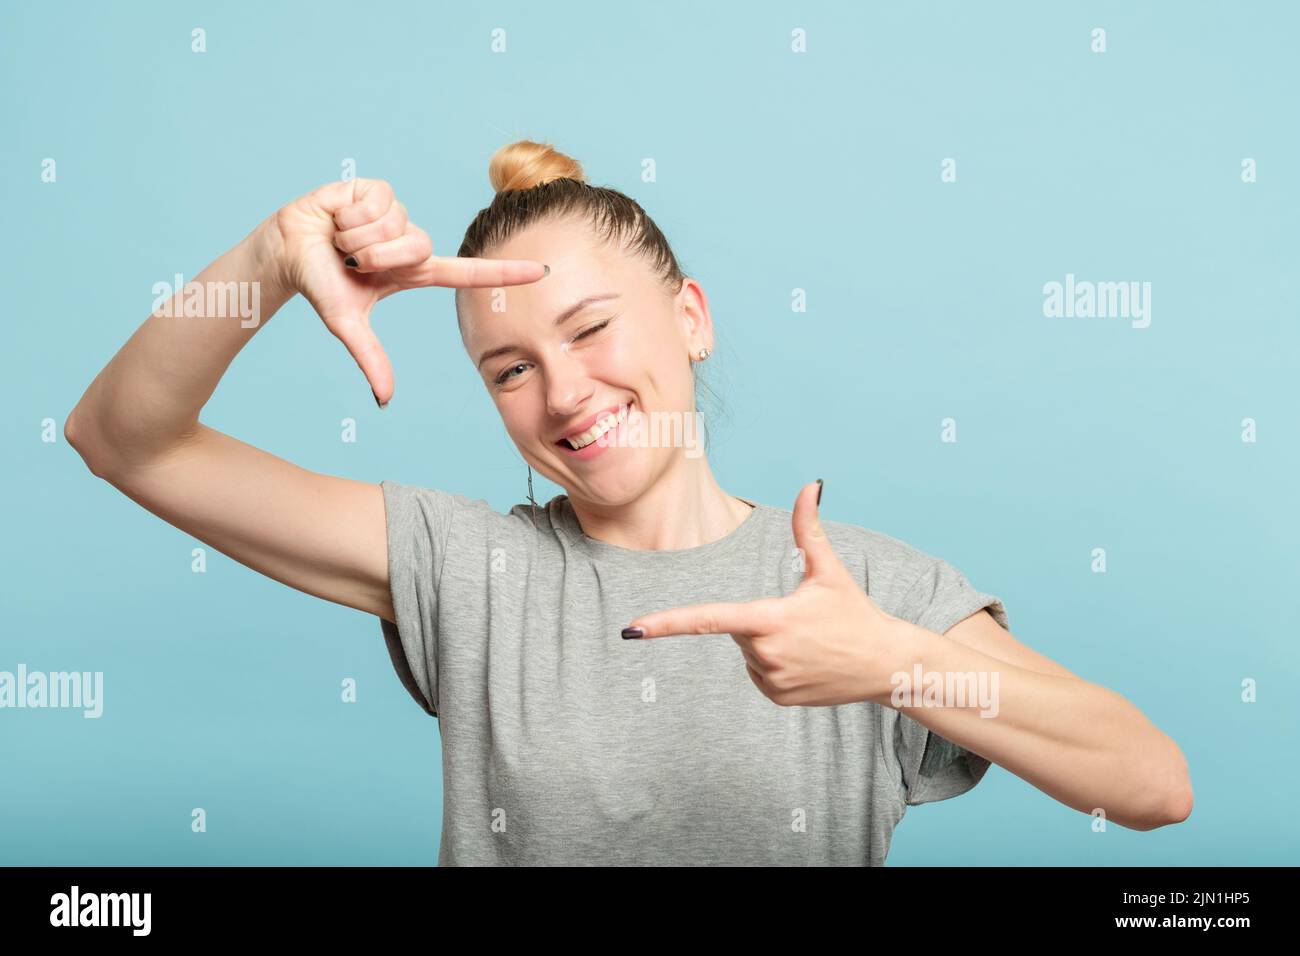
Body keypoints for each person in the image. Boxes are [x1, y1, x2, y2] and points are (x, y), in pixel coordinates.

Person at [66, 139, 1193, 866]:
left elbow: (1152, 782)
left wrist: (895, 662)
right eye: (508, 370)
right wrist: (270, 254)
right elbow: (120, 437)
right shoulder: (464, 568)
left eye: (591, 329)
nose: (563, 393)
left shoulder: (862, 593)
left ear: (690, 318)